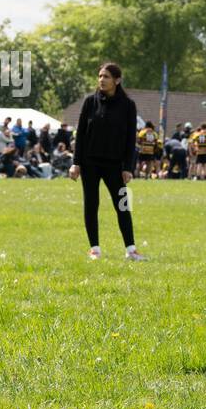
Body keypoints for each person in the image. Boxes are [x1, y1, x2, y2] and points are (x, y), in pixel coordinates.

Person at [69, 62, 145, 261]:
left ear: (117, 80)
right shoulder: (89, 102)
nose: (102, 80)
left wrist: (128, 167)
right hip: (90, 163)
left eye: (107, 77)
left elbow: (130, 139)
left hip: (115, 165)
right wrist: (76, 163)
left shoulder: (128, 106)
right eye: (100, 76)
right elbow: (82, 135)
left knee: (123, 205)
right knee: (91, 204)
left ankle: (131, 250)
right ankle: (95, 249)